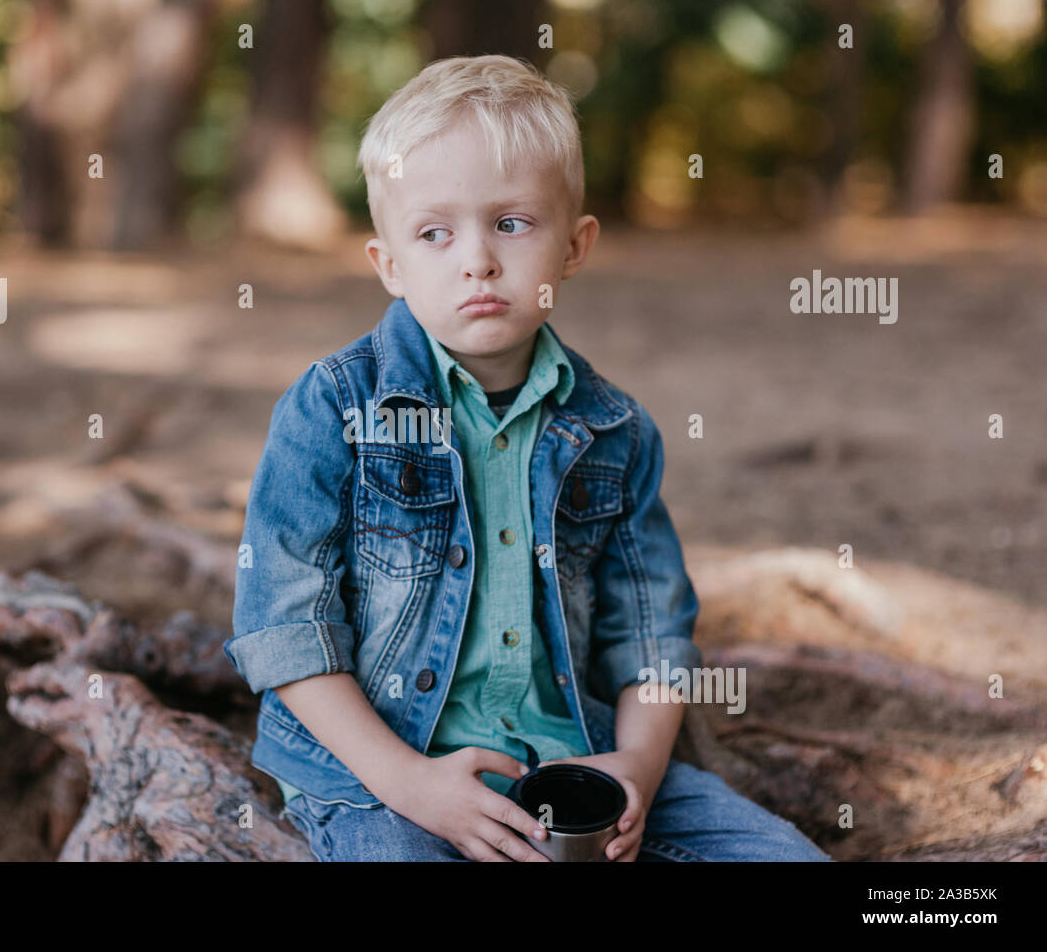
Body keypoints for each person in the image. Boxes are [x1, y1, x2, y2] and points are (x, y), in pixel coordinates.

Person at [225, 54, 831, 863]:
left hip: (573, 757)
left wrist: (638, 770)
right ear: (389, 265)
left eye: (511, 223)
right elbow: (285, 627)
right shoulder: (333, 407)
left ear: (575, 246)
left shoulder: (614, 428)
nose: (476, 259)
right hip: (382, 772)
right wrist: (412, 783)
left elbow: (651, 632)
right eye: (435, 232)